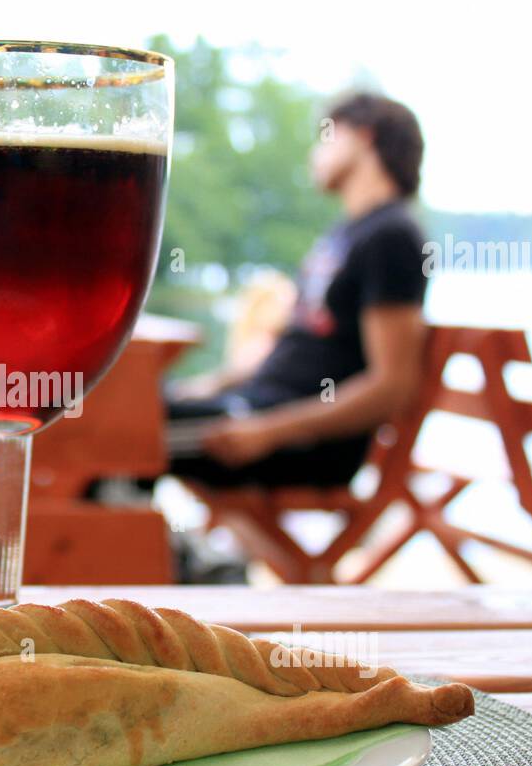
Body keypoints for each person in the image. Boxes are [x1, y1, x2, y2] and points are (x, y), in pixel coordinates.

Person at [167, 91, 429, 490]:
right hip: (252, 410)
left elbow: (392, 385)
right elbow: (296, 342)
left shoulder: (392, 237)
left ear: (365, 137)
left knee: (112, 431)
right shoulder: (346, 235)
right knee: (122, 411)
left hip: (303, 444)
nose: (315, 153)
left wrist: (268, 432)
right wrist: (210, 385)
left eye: (326, 136)